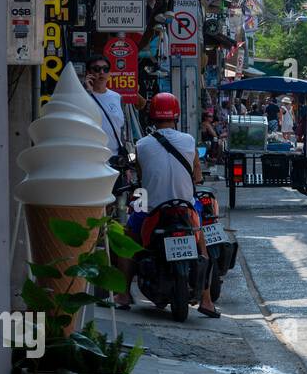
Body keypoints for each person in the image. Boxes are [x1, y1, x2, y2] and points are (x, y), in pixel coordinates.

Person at [122, 92, 220, 317]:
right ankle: (206, 300)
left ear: (152, 116)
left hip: (151, 207)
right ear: (176, 115)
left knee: (129, 233)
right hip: (184, 207)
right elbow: (197, 177)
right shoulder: (188, 140)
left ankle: (123, 294)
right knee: (200, 237)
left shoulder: (141, 144)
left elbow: (141, 177)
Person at [84, 54, 128, 166]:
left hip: (114, 160)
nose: (101, 72)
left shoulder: (117, 98)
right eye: (97, 69)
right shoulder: (82, 97)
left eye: (105, 69)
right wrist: (87, 92)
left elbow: (121, 131)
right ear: (88, 72)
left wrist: (125, 162)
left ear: (109, 73)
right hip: (91, 160)